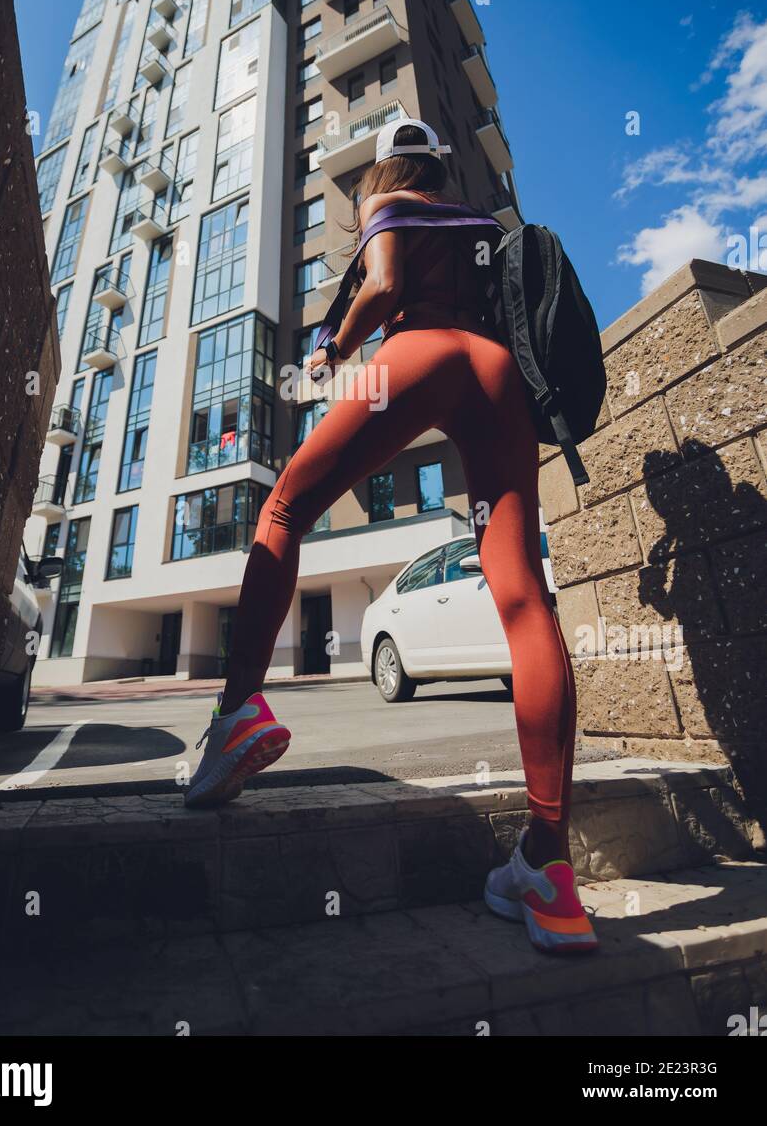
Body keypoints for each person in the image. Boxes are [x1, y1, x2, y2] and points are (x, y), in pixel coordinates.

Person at [184, 120, 597, 955]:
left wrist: (330, 353)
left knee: (285, 510)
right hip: (495, 375)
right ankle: (549, 870)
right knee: (522, 592)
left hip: (416, 355)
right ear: (444, 166)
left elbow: (381, 285)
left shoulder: (388, 201)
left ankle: (236, 713)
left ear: (384, 167)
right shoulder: (478, 220)